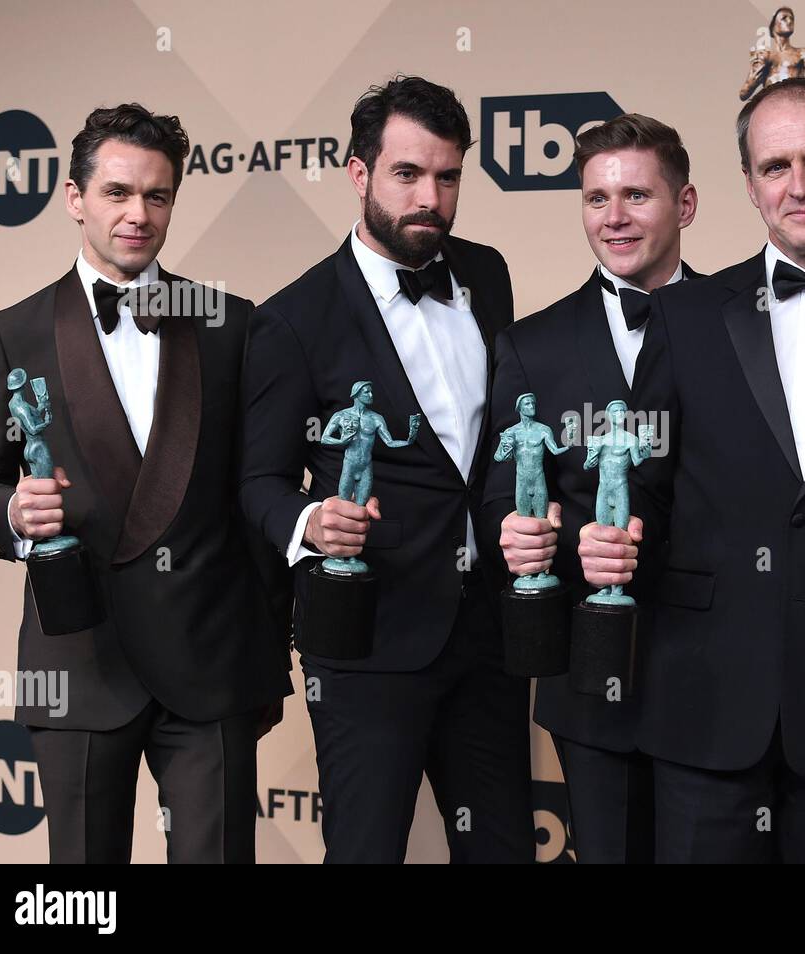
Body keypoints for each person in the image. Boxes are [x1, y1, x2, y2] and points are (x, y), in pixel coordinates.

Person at [485, 111, 805, 862]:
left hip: (748, 683)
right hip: (602, 676)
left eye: (637, 195)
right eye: (597, 199)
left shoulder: (718, 312)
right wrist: (547, 537)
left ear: (687, 205)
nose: (616, 217)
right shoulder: (530, 344)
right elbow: (521, 497)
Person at [0, 103, 291, 863]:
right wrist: (12, 510)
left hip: (211, 667)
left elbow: (258, 498)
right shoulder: (13, 331)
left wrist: (269, 659)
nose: (137, 214)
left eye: (157, 195)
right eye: (116, 193)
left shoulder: (231, 325)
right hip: (80, 664)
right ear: (75, 199)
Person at [240, 76, 532, 863]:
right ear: (360, 175)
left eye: (447, 177)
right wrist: (308, 521)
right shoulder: (292, 319)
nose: (429, 198)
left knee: (503, 850)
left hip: (491, 635)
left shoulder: (487, 274)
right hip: (367, 640)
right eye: (407, 175)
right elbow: (257, 482)